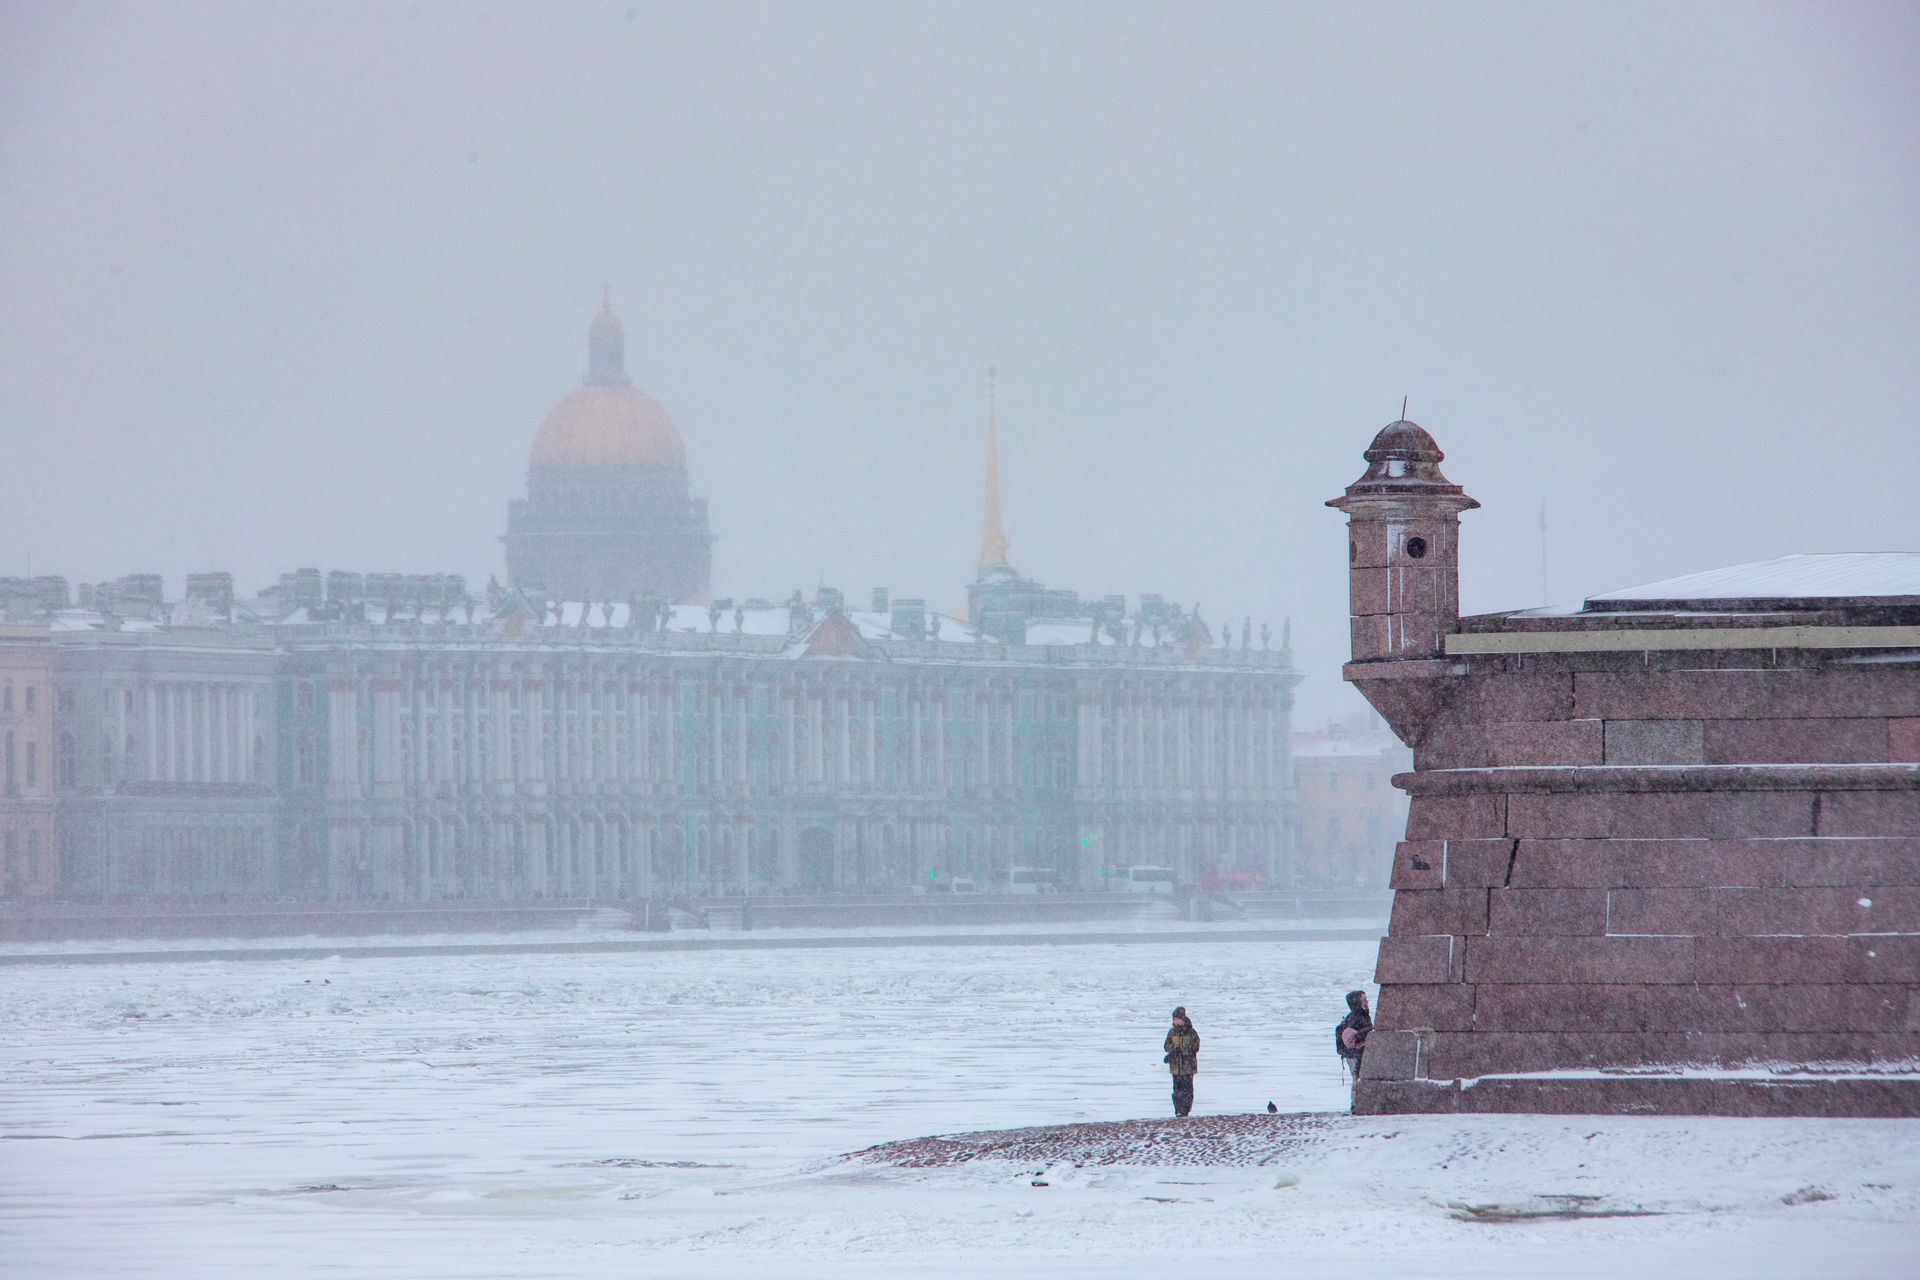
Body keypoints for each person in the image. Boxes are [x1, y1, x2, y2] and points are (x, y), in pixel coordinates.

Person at [1163, 1006, 1200, 1117]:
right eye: (1174, 1019)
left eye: (1177, 1019)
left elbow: (1195, 1047)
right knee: (1177, 1091)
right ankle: (1178, 1111)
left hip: (1188, 1067)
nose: (1175, 1021)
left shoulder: (1191, 1032)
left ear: (1182, 1019)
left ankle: (1185, 1110)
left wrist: (1183, 1051)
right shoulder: (1172, 1032)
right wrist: (1173, 1051)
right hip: (1175, 1067)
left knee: (1187, 1091)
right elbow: (1166, 1046)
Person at [1335, 989, 1371, 1086]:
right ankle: (1357, 1099)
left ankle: (1357, 1099)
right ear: (1357, 1003)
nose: (1367, 1002)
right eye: (1364, 1000)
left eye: (1366, 999)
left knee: (1359, 1082)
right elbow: (1347, 1040)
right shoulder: (1354, 1019)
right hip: (1355, 1057)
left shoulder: (1363, 1016)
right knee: (1358, 1081)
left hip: (1358, 1056)